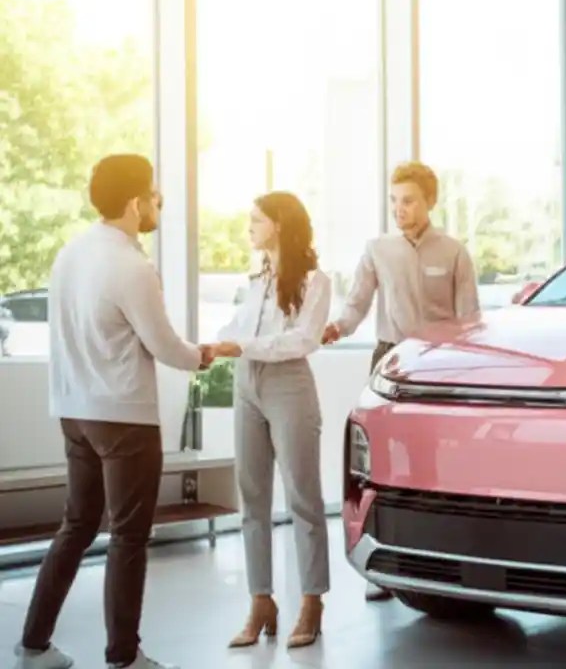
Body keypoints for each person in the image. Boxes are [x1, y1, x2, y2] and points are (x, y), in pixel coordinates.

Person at [15, 154, 222, 669]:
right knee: (129, 535)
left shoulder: (70, 254)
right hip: (124, 418)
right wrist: (204, 355)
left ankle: (33, 646)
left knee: (77, 525)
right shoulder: (132, 265)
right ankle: (124, 658)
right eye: (153, 194)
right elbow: (166, 346)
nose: (157, 203)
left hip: (75, 411)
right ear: (135, 203)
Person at [321, 160, 480, 601]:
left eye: (408, 200)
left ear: (430, 201)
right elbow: (356, 304)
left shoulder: (454, 253)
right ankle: (384, 570)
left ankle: (445, 562)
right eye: (394, 201)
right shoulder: (378, 249)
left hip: (443, 369)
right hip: (389, 364)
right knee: (386, 467)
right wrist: (336, 327)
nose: (400, 209)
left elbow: (470, 320)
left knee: (441, 469)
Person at [212, 192, 332, 650]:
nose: (249, 226)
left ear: (279, 225)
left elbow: (301, 340)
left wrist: (240, 346)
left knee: (302, 496)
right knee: (253, 496)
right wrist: (214, 346)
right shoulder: (258, 277)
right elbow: (240, 327)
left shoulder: (315, 281)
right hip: (247, 383)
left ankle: (311, 600)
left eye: (256, 220)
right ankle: (260, 601)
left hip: (288, 385)